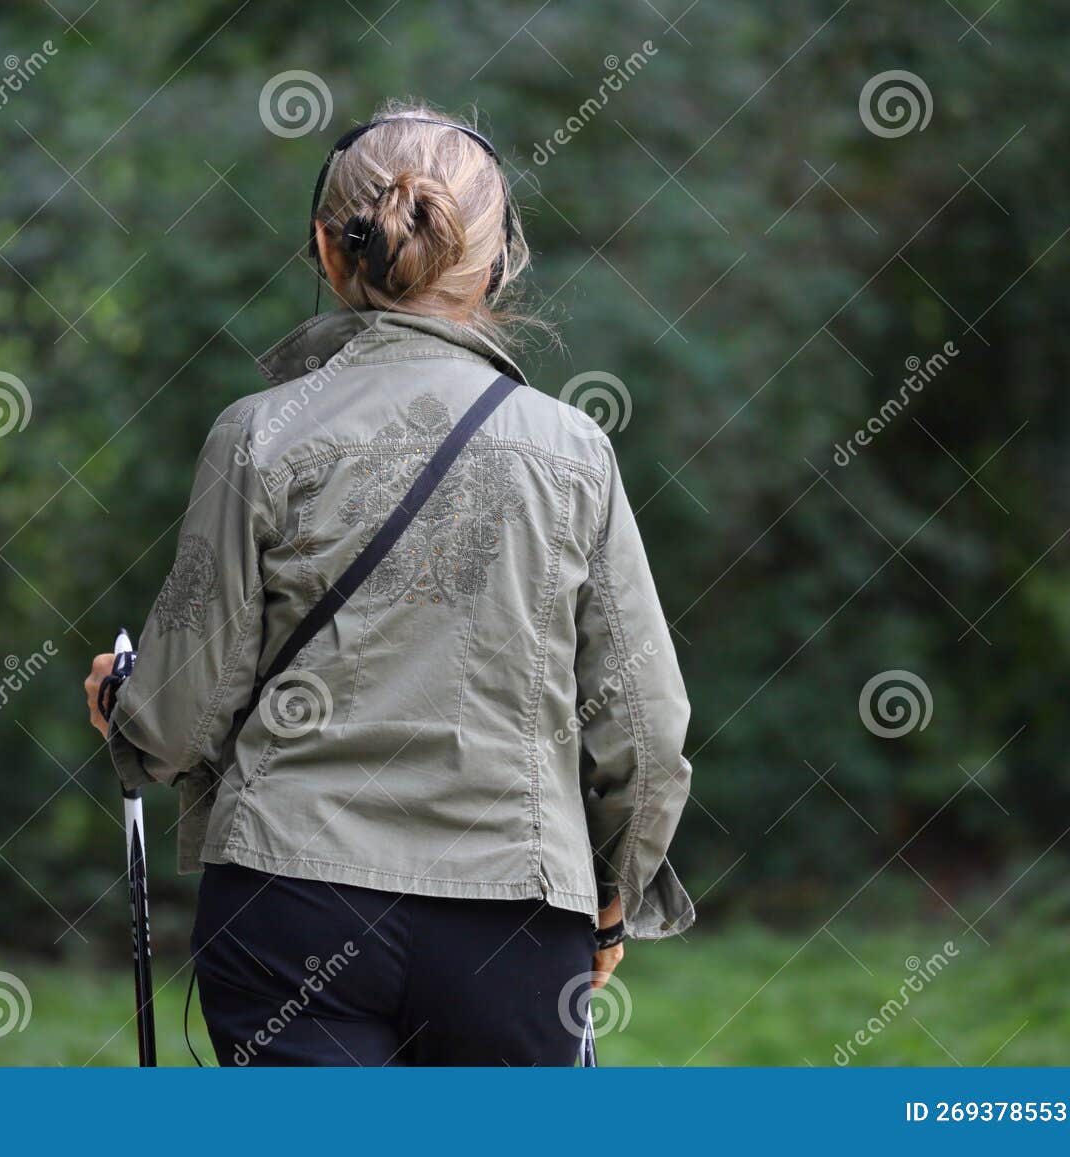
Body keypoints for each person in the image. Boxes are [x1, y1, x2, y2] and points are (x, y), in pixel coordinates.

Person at [83, 100, 693, 1066]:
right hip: (515, 920)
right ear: (499, 262)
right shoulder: (572, 451)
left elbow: (180, 714)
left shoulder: (259, 434)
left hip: (289, 899)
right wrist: (614, 896)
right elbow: (646, 724)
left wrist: (125, 704)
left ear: (328, 253)